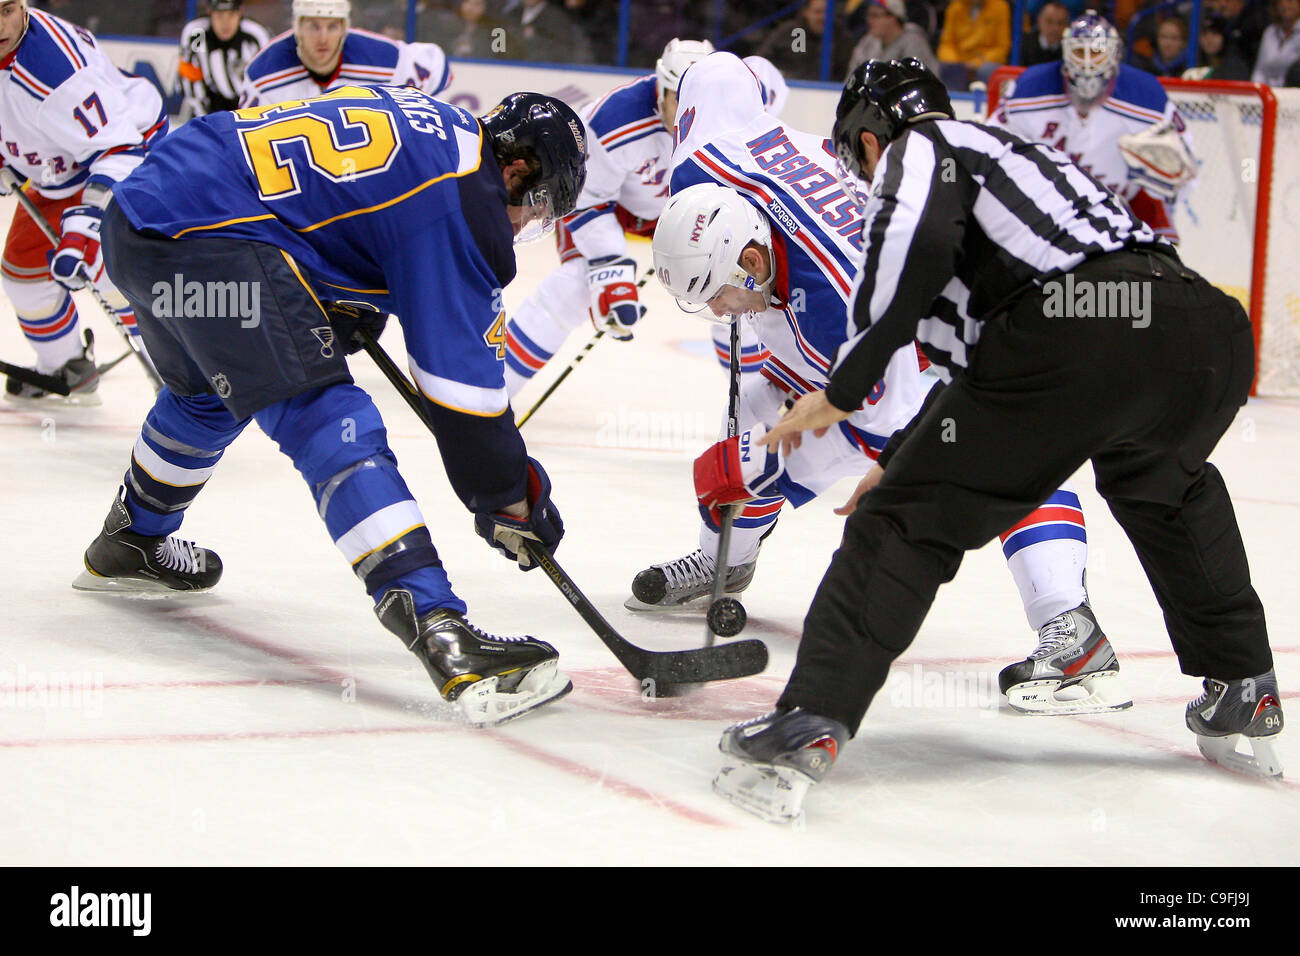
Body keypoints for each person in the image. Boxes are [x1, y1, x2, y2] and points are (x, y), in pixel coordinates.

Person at [713, 57, 1283, 822]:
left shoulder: (924, 148)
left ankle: (812, 716)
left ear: (869, 138)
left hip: (1079, 330)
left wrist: (840, 392)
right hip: (1198, 331)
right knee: (1164, 489)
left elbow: (913, 258)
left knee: (902, 527)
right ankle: (1244, 685)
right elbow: (980, 387)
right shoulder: (1012, 168)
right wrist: (911, 459)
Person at [70, 87, 589, 726]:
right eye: (535, 207)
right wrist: (508, 495)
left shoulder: (437, 129)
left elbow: (327, 204)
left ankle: (130, 539)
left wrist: (321, 286)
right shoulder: (464, 199)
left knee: (205, 397)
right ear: (517, 170)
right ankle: (439, 629)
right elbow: (465, 398)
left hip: (142, 226)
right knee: (329, 415)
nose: (519, 225)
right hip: (211, 241)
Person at [640, 51, 1131, 721]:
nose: (721, 313)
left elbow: (874, 418)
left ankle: (1071, 628)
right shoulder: (698, 169)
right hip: (858, 328)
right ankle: (724, 559)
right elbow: (719, 72)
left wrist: (760, 468)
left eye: (722, 296)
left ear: (751, 261)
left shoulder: (841, 302)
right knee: (759, 413)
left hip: (943, 341)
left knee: (1005, 448)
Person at [501, 40, 788, 395]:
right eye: (677, 99)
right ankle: (494, 390)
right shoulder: (611, 122)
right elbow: (583, 200)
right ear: (660, 88)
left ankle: (759, 405)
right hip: (611, 211)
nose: (688, 112)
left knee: (733, 294)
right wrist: (610, 268)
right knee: (574, 287)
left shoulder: (726, 110)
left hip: (693, 213)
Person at [0, 0, 165, 404]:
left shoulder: (54, 73)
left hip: (128, 154)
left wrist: (85, 224)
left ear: (22, 7)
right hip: (60, 164)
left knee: (109, 270)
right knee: (23, 272)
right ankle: (66, 364)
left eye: (5, 10)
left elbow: (121, 149)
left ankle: (178, 365)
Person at [989, 12, 1196, 241]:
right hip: (1048, 209)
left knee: (1155, 266)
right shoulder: (1028, 89)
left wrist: (1162, 180)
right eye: (1080, 52)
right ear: (1066, 52)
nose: (1087, 62)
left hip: (1126, 211)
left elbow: (1184, 171)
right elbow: (992, 148)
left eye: (1096, 52)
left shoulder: (1147, 96)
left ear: (1113, 54)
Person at [239, 0, 451, 109]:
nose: (323, 38)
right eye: (313, 26)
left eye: (332, 27)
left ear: (344, 29)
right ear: (297, 28)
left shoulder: (383, 59)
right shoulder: (263, 74)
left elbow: (438, 67)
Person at [178, 0, 271, 119]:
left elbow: (268, 82)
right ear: (210, 13)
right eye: (219, 15)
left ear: (240, 13)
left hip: (249, 110)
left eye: (231, 14)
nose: (225, 23)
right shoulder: (197, 33)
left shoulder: (256, 36)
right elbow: (190, 78)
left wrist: (254, 118)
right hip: (211, 107)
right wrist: (204, 118)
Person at [845, 0, 939, 77]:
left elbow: (923, 82)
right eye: (869, 15)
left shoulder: (913, 42)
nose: (869, 20)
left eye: (875, 15)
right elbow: (852, 78)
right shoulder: (867, 42)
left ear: (893, 17)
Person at [936, 0, 1011, 88]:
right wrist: (957, 62)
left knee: (986, 70)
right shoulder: (955, 7)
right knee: (949, 68)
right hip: (960, 61)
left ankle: (985, 100)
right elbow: (946, 44)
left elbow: (1002, 47)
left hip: (985, 62)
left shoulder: (1000, 7)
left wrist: (976, 63)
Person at [1252, 0, 1300, 85]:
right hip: (1267, 91)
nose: (1285, 5)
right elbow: (1260, 70)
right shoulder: (1269, 32)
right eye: (1281, 2)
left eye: (1290, 1)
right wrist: (1256, 89)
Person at [1019, 0, 1070, 66]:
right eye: (1049, 21)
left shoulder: (1070, 50)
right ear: (1039, 20)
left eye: (1060, 23)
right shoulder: (1023, 44)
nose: (1055, 28)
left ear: (1067, 25)